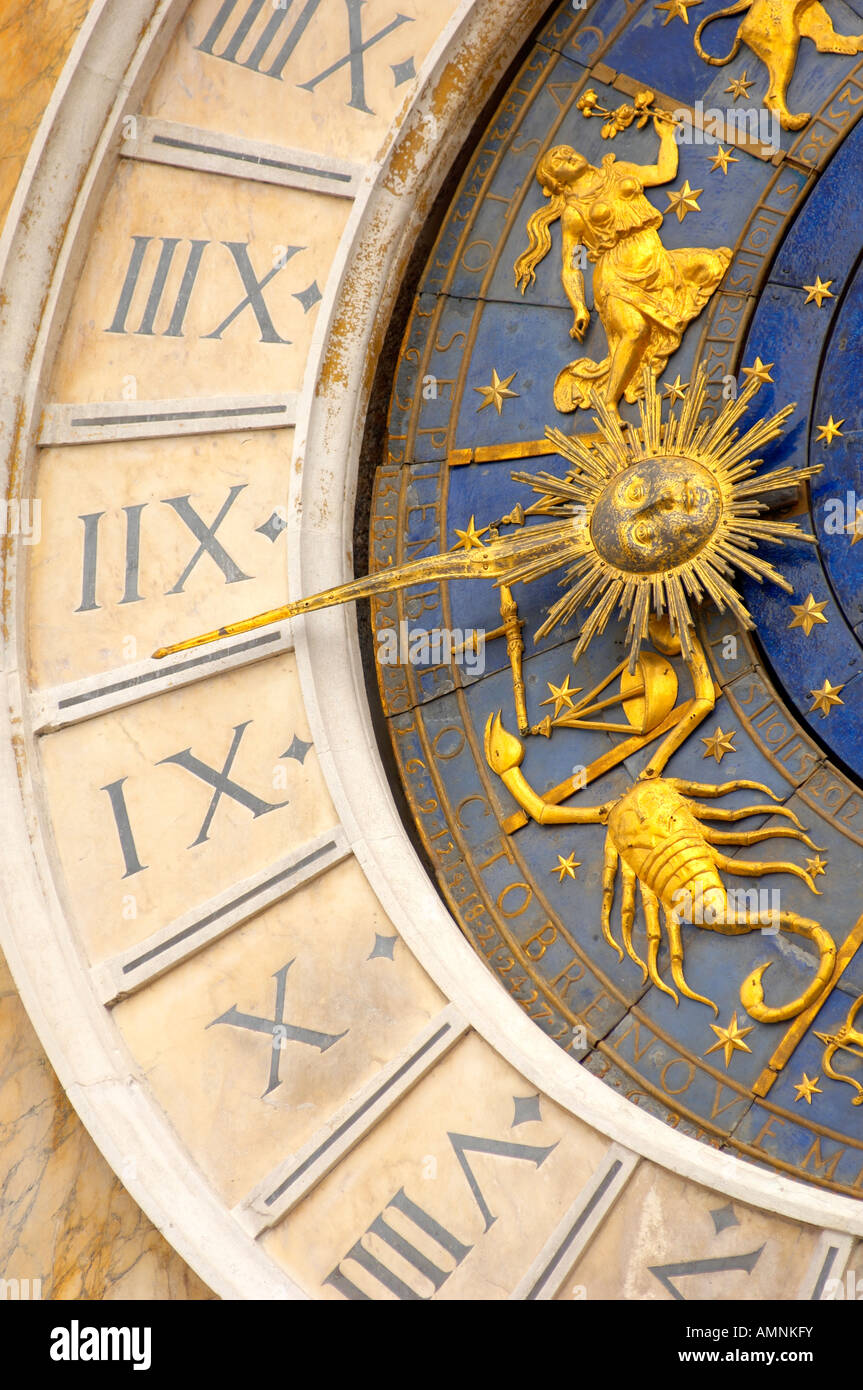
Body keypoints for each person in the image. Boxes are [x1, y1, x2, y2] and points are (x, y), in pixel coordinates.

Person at [514, 117, 731, 416]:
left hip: (657, 260)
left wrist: (667, 136)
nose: (566, 155)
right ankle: (610, 402)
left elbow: (663, 172)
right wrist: (579, 307)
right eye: (558, 161)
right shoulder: (574, 213)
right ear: (558, 181)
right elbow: (571, 264)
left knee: (712, 265)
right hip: (617, 277)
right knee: (634, 330)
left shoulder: (620, 171)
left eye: (565, 150)